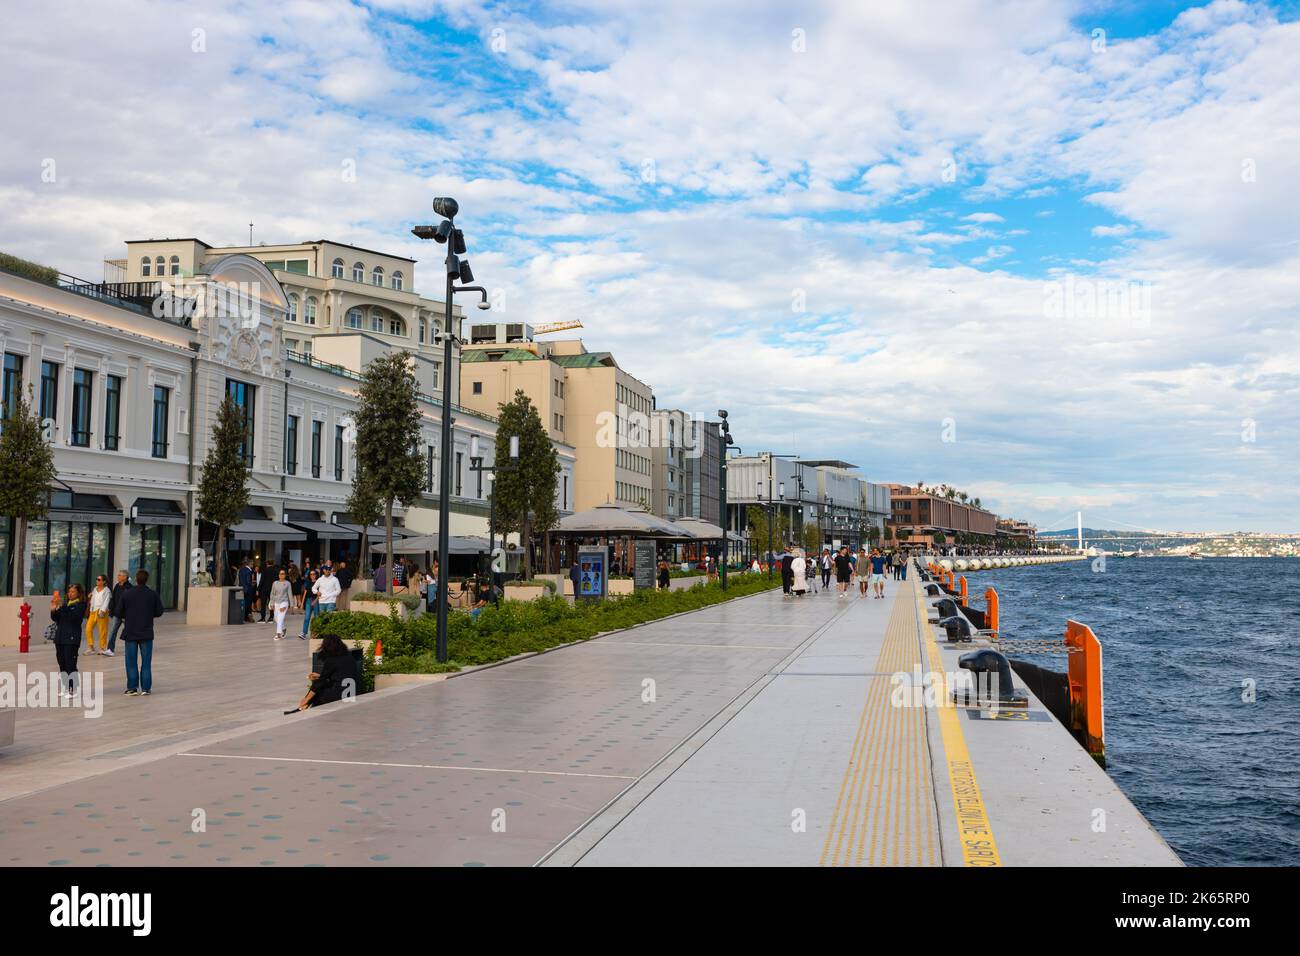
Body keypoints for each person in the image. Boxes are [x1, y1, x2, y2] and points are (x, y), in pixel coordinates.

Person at [119, 568, 164, 696]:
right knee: (146, 662)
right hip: (146, 631)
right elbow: (159, 611)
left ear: (136, 579)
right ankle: (146, 688)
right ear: (146, 580)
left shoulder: (127, 593)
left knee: (131, 661)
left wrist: (127, 615)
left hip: (130, 631)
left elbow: (118, 611)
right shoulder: (152, 594)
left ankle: (132, 687)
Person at [291, 633, 358, 711]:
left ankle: (305, 706)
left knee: (318, 689)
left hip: (340, 695)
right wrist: (320, 675)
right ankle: (305, 706)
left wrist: (306, 699)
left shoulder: (332, 660)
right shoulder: (349, 656)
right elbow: (341, 674)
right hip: (351, 693)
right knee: (322, 686)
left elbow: (320, 682)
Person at [50, 584, 87, 699]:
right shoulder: (66, 605)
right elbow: (56, 618)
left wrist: (61, 606)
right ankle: (66, 686)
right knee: (62, 663)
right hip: (60, 638)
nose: (70, 594)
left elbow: (72, 617)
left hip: (71, 639)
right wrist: (54, 609)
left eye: (73, 592)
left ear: (78, 594)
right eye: (69, 592)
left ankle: (73, 689)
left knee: (71, 664)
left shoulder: (80, 605)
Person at [105, 569, 131, 657]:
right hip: (117, 614)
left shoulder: (129, 588)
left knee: (128, 632)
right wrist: (111, 610)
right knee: (113, 632)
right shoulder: (117, 586)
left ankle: (129, 649)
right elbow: (113, 599)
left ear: (125, 577)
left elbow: (128, 602)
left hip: (126, 615)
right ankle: (110, 649)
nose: (118, 577)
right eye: (118, 575)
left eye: (120, 575)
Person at [85, 574, 112, 654]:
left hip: (101, 611)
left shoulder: (107, 590)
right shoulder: (95, 589)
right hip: (93, 611)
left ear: (104, 581)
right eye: (97, 579)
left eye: (99, 579)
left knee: (102, 630)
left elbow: (107, 601)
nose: (97, 581)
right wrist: (90, 596)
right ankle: (91, 647)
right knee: (88, 629)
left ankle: (102, 648)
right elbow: (93, 600)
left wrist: (103, 610)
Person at [269, 568, 292, 639]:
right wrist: (272, 603)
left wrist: (291, 605)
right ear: (278, 575)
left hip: (284, 602)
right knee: (276, 618)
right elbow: (272, 594)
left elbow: (290, 594)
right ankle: (283, 629)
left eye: (283, 574)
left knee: (280, 617)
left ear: (285, 575)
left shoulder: (288, 583)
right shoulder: (275, 583)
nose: (281, 575)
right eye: (280, 574)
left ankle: (278, 633)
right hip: (276, 602)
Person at [300, 569, 320, 640]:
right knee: (307, 617)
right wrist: (302, 603)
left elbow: (320, 593)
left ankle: (316, 633)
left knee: (316, 617)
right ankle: (304, 633)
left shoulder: (319, 582)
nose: (312, 575)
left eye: (313, 574)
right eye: (311, 574)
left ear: (316, 574)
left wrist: (315, 601)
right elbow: (305, 593)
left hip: (316, 601)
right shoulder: (307, 582)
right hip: (308, 601)